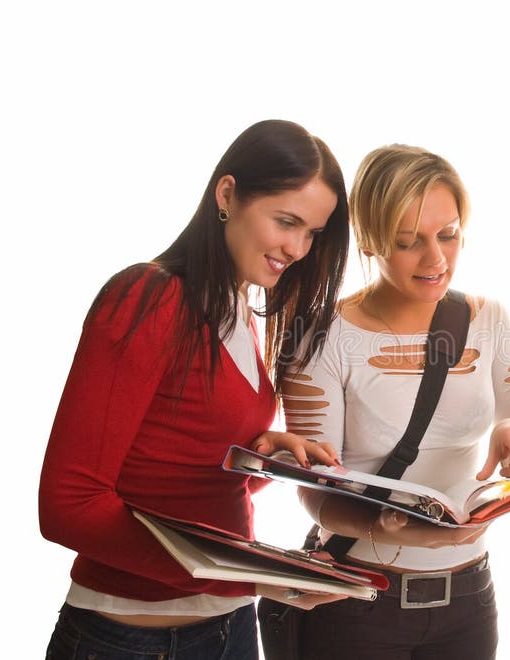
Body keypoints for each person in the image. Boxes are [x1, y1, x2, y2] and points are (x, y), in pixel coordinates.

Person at [39, 119, 352, 660]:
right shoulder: (147, 298)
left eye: (313, 233)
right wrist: (249, 576)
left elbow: (181, 481)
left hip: (229, 629)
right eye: (287, 221)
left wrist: (257, 462)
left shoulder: (240, 309)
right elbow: (68, 505)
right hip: (128, 638)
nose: (299, 248)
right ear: (227, 194)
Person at [260, 144, 510, 660]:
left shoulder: (489, 319)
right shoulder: (321, 337)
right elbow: (312, 487)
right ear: (370, 240)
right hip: (358, 601)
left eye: (449, 235)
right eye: (408, 241)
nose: (436, 259)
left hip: (469, 597)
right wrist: (384, 523)